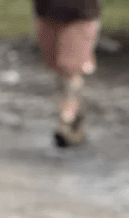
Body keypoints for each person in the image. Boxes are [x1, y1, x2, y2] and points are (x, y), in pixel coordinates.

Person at [32, 0, 102, 147]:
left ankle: (67, 118)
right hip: (47, 12)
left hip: (80, 14)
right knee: (58, 68)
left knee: (71, 68)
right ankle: (74, 115)